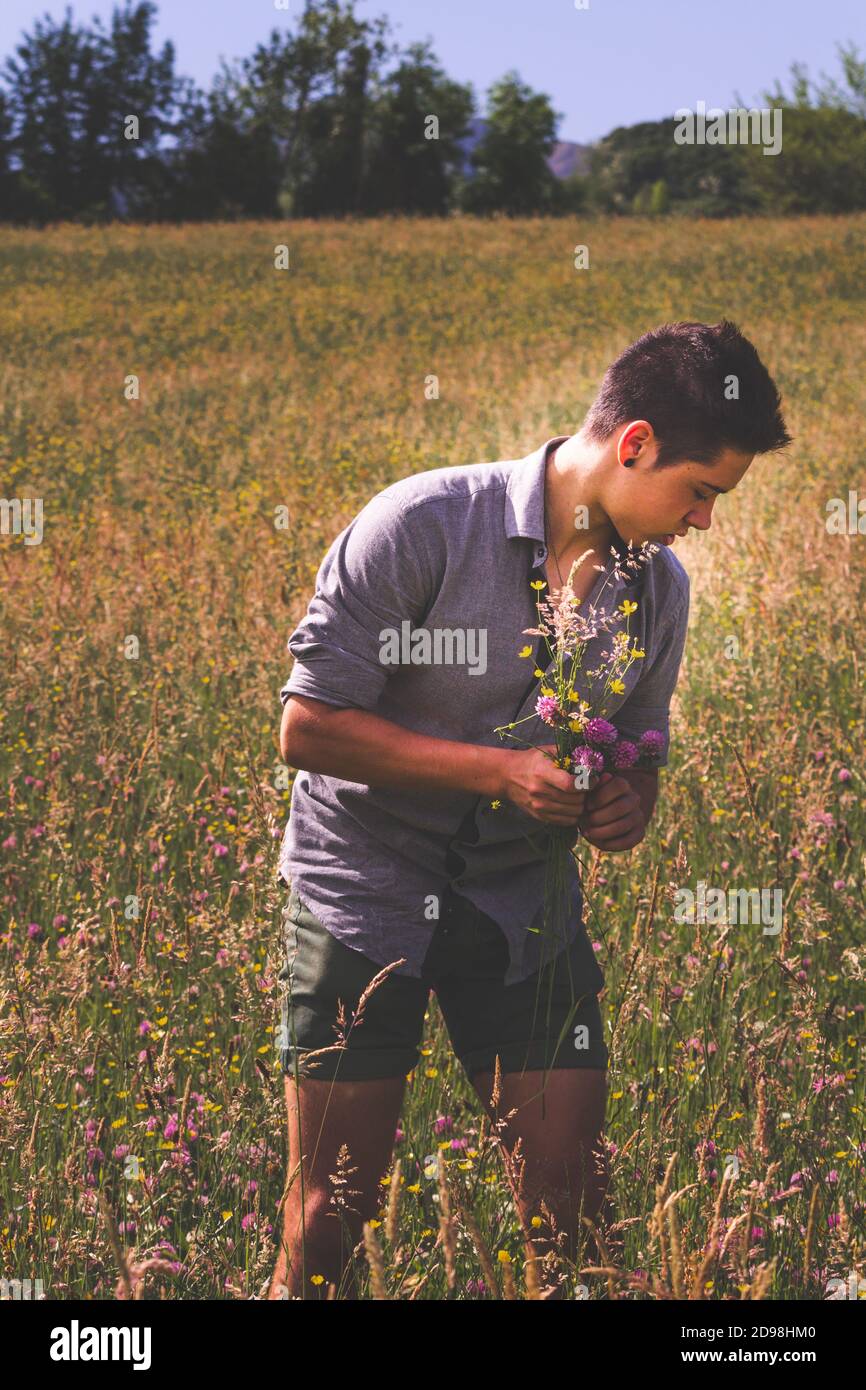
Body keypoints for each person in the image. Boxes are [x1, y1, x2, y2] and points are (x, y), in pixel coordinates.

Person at [268, 318, 791, 1299]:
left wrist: (625, 806)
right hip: (362, 900)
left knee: (577, 1226)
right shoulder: (421, 523)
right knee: (327, 1226)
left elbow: (641, 747)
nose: (703, 523)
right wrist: (494, 773)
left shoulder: (656, 590)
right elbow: (309, 728)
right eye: (699, 492)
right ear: (632, 443)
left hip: (525, 914)